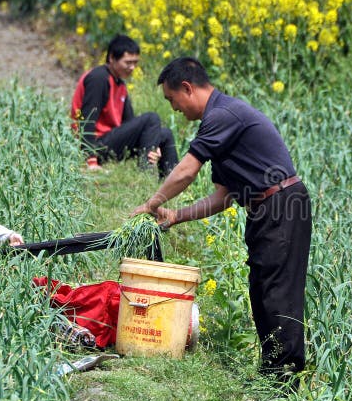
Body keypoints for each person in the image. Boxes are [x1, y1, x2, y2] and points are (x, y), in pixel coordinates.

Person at [132, 57, 312, 383]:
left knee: (278, 294)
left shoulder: (221, 115)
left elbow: (187, 170)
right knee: (261, 291)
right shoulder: (220, 121)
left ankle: (286, 381)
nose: (174, 109)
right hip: (265, 208)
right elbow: (222, 197)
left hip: (282, 205)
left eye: (172, 99)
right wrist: (175, 216)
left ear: (187, 88)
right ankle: (273, 371)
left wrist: (152, 203)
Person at [70, 34, 179, 177]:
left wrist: (154, 143)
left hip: (111, 141)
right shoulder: (99, 78)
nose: (132, 67)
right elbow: (86, 119)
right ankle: (146, 175)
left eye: (135, 63)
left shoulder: (120, 83)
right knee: (152, 118)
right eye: (128, 63)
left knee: (164, 134)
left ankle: (172, 181)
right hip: (96, 145)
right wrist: (90, 160)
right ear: (111, 58)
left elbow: (130, 124)